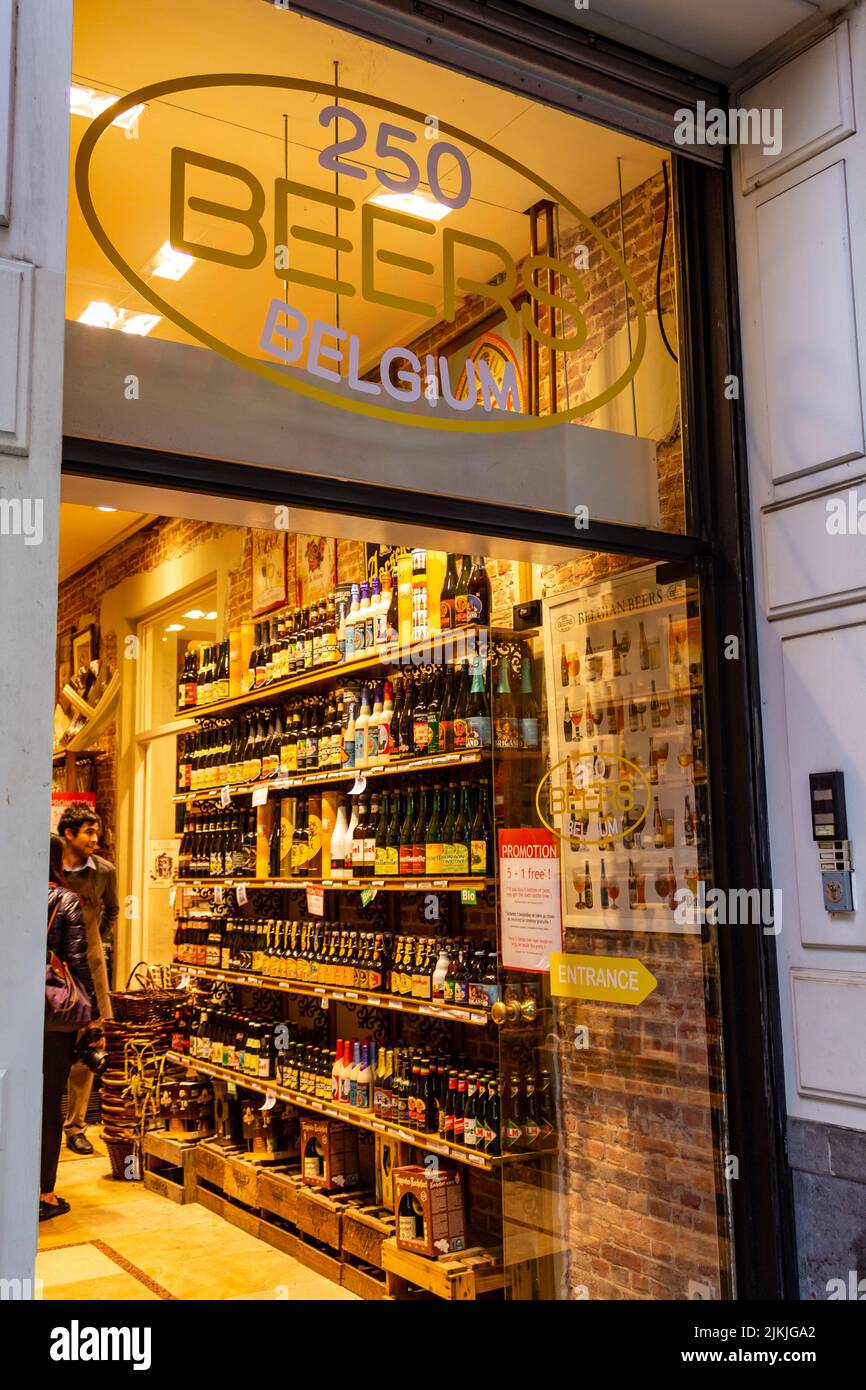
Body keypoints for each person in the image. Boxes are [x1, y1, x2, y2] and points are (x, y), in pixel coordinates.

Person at [42, 836, 98, 1220]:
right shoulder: (63, 900)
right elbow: (79, 963)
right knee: (47, 1107)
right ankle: (42, 1193)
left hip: (12, 1015)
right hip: (52, 1020)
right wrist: (91, 1017)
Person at [57, 803, 117, 1155]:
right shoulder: (49, 866)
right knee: (51, 1048)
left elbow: (111, 910)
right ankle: (42, 1121)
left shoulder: (104, 872)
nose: (95, 838)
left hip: (91, 970)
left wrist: (94, 938)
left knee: (88, 1047)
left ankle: (76, 1126)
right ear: (68, 834)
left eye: (97, 832)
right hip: (53, 965)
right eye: (88, 832)